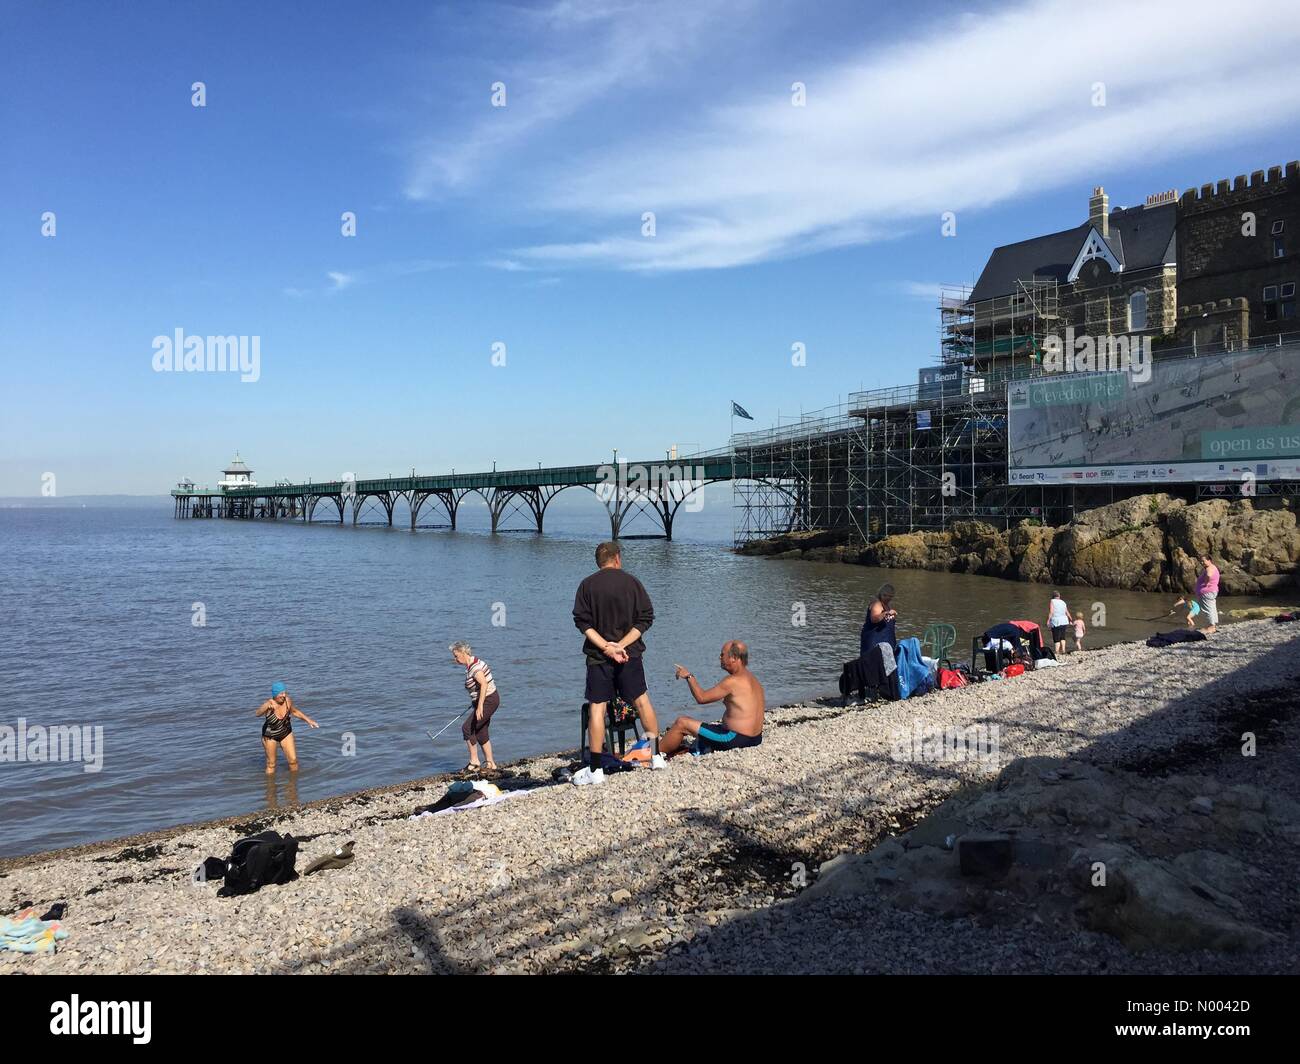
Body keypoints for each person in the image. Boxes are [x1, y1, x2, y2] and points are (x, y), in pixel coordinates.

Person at [571, 541, 664, 784]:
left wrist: (607, 647)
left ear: (598, 562)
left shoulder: (586, 585)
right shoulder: (632, 583)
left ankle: (597, 769)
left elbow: (583, 623)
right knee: (642, 702)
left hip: (599, 656)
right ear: (618, 558)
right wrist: (621, 645)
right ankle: (656, 756)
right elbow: (645, 618)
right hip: (629, 654)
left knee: (597, 708)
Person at [659, 641, 765, 757]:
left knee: (681, 723)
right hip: (755, 738)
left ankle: (652, 754)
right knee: (697, 726)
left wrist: (689, 676)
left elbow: (701, 698)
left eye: (722, 654)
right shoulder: (753, 679)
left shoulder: (732, 681)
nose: (719, 657)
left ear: (734, 658)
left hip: (736, 739)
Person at [450, 641, 499, 773]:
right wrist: (475, 702)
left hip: (488, 700)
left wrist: (480, 706)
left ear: (463, 652)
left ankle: (474, 761)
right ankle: (491, 764)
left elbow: (483, 684)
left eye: (456, 656)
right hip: (488, 699)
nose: (455, 659)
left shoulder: (475, 667)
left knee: (467, 728)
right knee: (481, 731)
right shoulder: (472, 664)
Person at [256, 682, 318, 775]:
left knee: (293, 761)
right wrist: (266, 705)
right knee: (271, 764)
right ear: (275, 694)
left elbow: (294, 711)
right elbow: (257, 713)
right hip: (270, 736)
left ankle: (293, 785)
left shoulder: (287, 701)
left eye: (284, 693)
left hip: (286, 732)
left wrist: (309, 721)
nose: (284, 695)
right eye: (281, 693)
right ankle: (270, 788)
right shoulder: (269, 705)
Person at [860, 584, 898, 660]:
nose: (888, 598)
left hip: (887, 642)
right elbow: (874, 619)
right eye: (885, 595)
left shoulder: (888, 606)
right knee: (872, 663)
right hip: (874, 642)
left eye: (890, 596)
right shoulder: (877, 604)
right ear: (881, 594)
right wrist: (886, 613)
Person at [1196, 554, 1220, 635]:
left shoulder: (1209, 568)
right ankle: (1213, 625)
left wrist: (1206, 583)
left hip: (1207, 592)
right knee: (1212, 607)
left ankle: (1211, 627)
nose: (1202, 562)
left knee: (1208, 609)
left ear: (1209, 560)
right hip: (1211, 591)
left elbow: (1209, 575)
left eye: (1204, 561)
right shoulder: (1213, 567)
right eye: (1201, 561)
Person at [1047, 592, 1073, 656]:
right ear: (1059, 596)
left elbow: (1051, 611)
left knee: (1056, 637)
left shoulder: (1052, 601)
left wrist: (1048, 620)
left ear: (1053, 596)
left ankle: (1057, 652)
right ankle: (1063, 650)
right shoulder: (1063, 602)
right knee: (1062, 636)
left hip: (1056, 621)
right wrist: (1070, 619)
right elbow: (1067, 612)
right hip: (1064, 621)